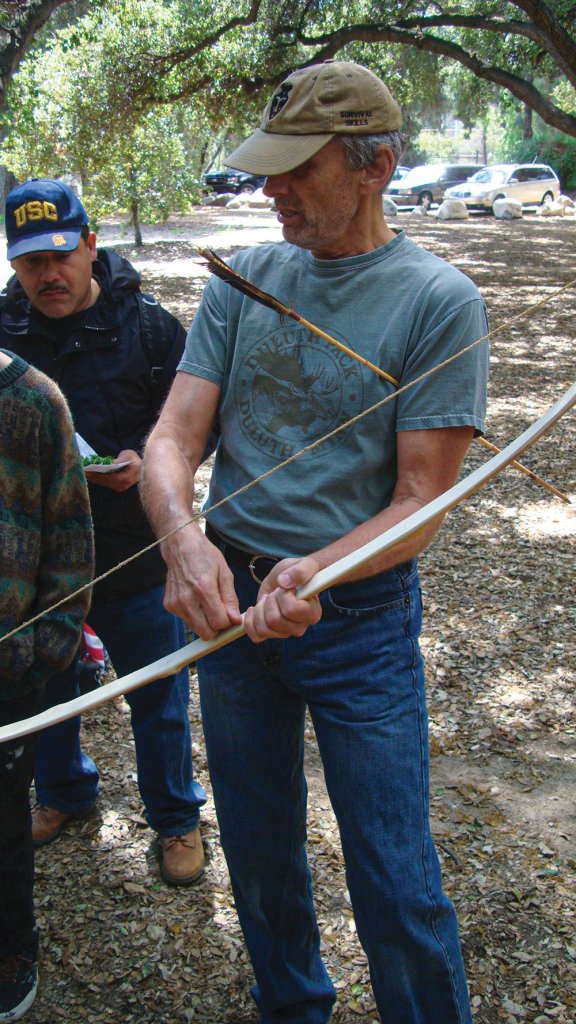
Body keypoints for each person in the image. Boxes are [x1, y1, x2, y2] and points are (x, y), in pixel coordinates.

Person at [141, 60, 489, 1023]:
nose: (272, 190)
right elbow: (171, 440)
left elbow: (421, 500)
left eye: (298, 169)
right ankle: (291, 1006)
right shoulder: (247, 277)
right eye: (270, 169)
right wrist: (181, 540)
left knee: (393, 873)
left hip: (358, 621)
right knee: (256, 853)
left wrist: (322, 569)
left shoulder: (440, 301)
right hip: (228, 608)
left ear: (375, 168)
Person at [0, 178, 206, 886]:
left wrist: (151, 464)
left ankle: (176, 818)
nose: (48, 276)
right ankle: (63, 794)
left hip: (136, 549)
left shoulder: (150, 329)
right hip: (39, 563)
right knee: (46, 689)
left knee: (159, 693)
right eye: (31, 263)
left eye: (61, 256)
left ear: (91, 246)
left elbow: (196, 425)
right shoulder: (4, 334)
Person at [0, 349, 93, 1021]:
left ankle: (10, 946)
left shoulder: (31, 400)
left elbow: (70, 539)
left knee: (4, 821)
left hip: (7, 674)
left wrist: (41, 652)